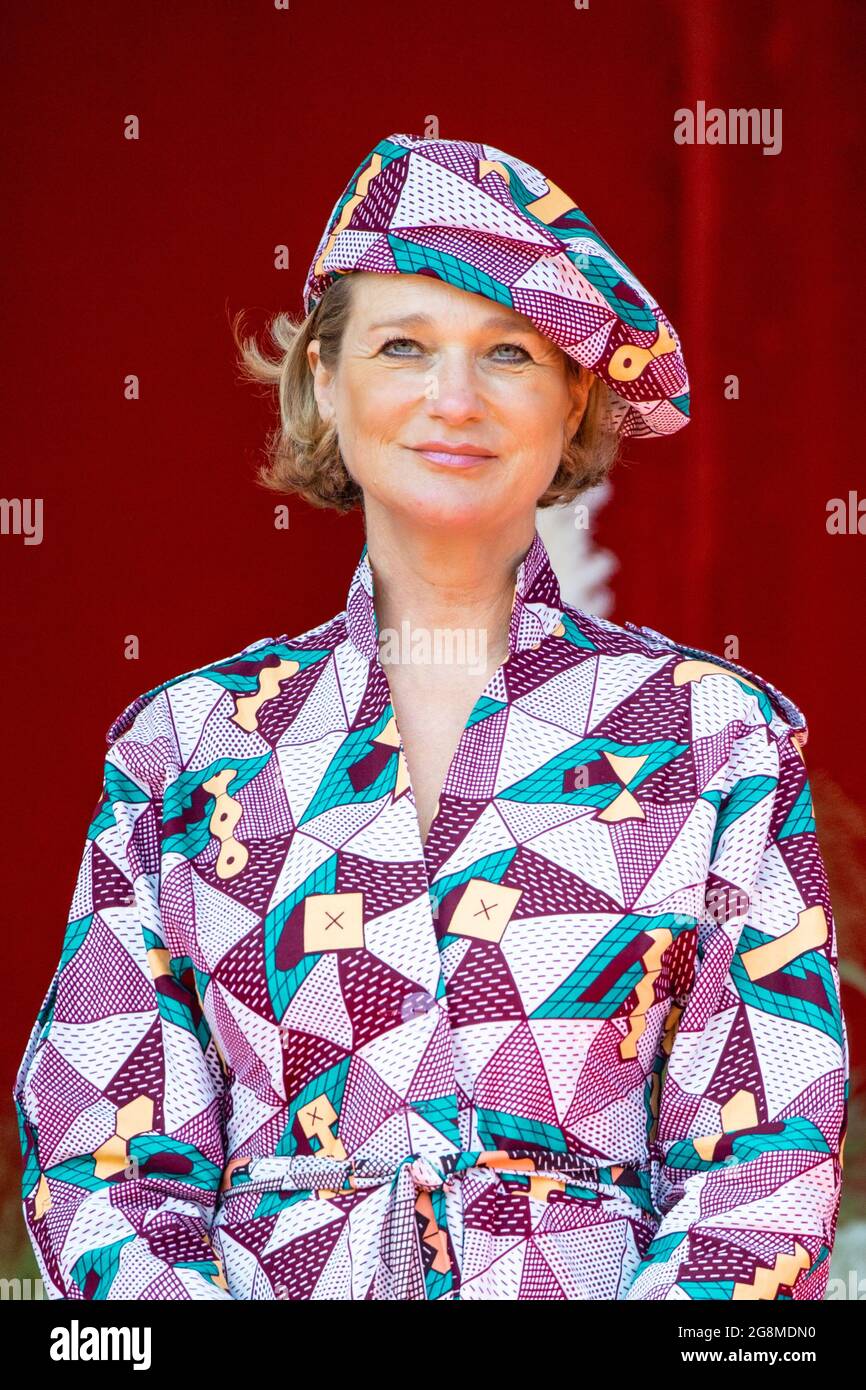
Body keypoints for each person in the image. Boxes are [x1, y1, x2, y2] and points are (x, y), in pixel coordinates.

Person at [13, 132, 848, 1301]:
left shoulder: (714, 738)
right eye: (402, 345)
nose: (451, 400)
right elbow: (103, 1159)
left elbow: (765, 1169)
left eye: (507, 353)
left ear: (573, 407)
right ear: (321, 380)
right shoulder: (185, 744)